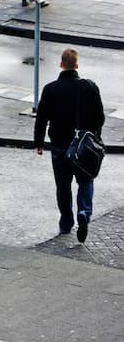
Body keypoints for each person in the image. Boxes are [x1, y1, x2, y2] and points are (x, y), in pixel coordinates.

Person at [34, 49, 105, 243]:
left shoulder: (50, 89)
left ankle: (66, 222)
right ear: (77, 65)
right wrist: (94, 135)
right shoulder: (89, 87)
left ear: (61, 65)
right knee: (86, 181)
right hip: (83, 147)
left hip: (59, 145)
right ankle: (84, 212)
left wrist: (39, 142)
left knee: (63, 186)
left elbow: (41, 119)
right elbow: (100, 117)